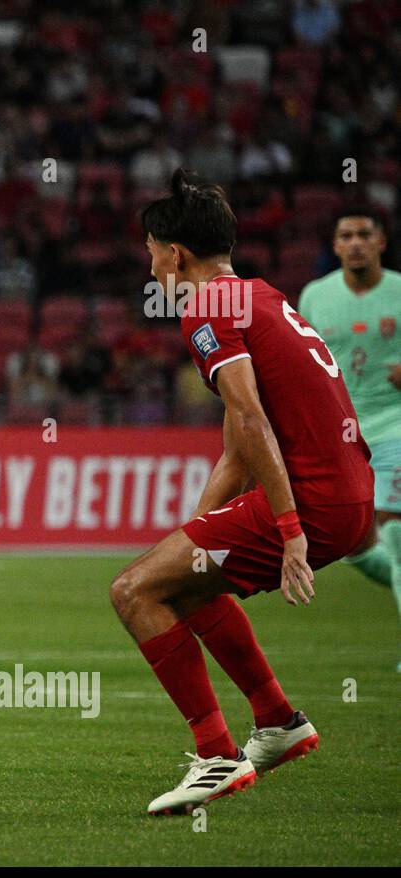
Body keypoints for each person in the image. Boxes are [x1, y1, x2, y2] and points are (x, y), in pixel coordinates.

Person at [110, 170, 374, 815]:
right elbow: (237, 446)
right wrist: (192, 539)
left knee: (132, 591)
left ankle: (215, 757)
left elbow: (253, 421)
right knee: (180, 580)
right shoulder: (258, 296)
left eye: (151, 254)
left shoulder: (204, 308)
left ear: (174, 253)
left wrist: (288, 531)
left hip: (314, 500)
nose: (152, 270)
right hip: (348, 493)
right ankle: (279, 723)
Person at [298, 207, 401, 669]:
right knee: (353, 545)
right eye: (346, 235)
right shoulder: (315, 297)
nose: (356, 242)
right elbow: (303, 361)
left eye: (364, 233)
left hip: (396, 425)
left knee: (393, 531)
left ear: (381, 241)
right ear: (335, 246)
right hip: (342, 435)